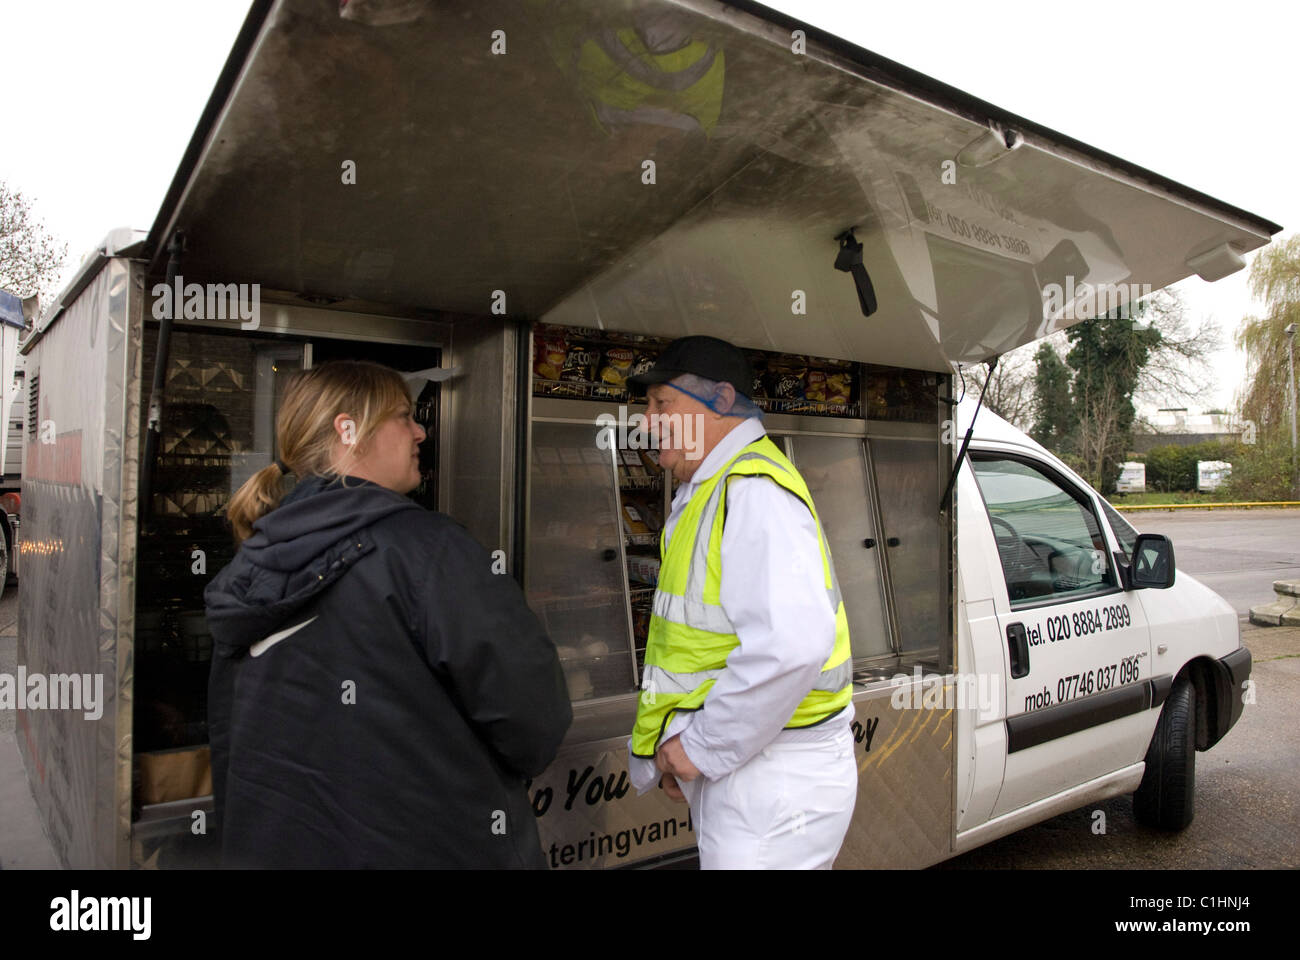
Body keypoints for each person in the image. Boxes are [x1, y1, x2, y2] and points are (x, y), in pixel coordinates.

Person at [204, 360, 571, 867]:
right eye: (404, 416)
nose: (420, 431)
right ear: (347, 430)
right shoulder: (430, 550)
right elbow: (533, 715)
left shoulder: (252, 562)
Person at [625, 336, 857, 869]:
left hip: (774, 775)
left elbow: (792, 646)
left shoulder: (752, 489)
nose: (647, 421)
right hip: (755, 768)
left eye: (663, 404)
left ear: (722, 401)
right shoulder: (716, 486)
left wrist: (702, 747)